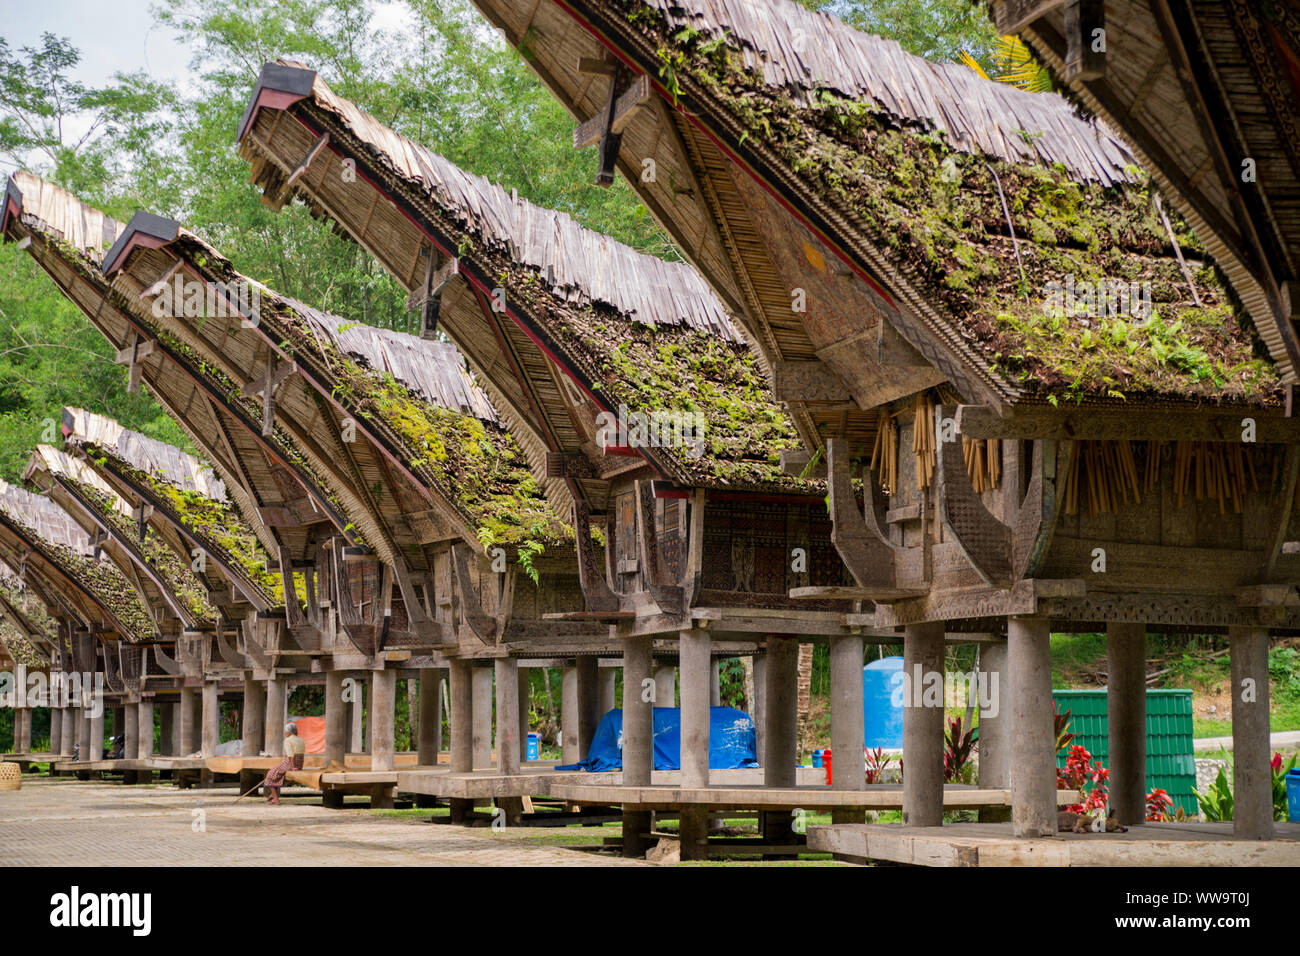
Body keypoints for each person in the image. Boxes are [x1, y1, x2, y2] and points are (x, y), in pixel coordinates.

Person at [263, 722, 306, 805]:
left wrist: (292, 767)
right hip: (300, 764)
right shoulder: (301, 739)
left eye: (285, 731)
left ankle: (276, 799)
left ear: (289, 732)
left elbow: (291, 756)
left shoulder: (288, 740)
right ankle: (272, 796)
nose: (285, 733)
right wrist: (297, 766)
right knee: (276, 773)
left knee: (270, 774)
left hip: (290, 763)